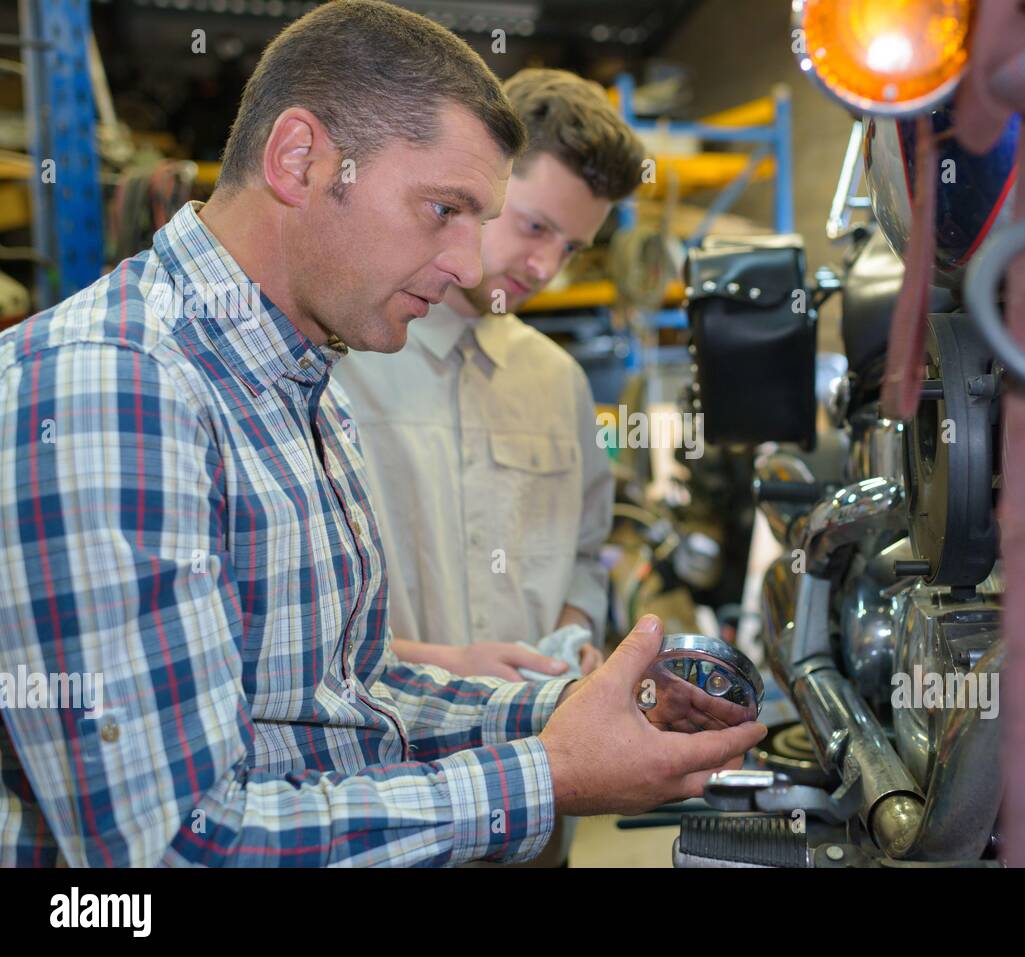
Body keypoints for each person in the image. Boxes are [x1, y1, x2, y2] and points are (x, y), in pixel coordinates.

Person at [0, 0, 763, 867]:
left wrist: (572, 710)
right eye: (444, 209)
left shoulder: (303, 385)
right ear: (300, 160)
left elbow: (352, 695)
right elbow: (178, 847)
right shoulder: (112, 387)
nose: (475, 269)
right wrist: (546, 775)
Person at [332, 68, 642, 684]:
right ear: (480, 182)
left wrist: (577, 631)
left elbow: (585, 551)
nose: (546, 267)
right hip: (376, 755)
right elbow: (291, 614)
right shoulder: (337, 359)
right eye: (535, 227)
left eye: (572, 248)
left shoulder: (560, 383)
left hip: (537, 752)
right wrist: (449, 667)